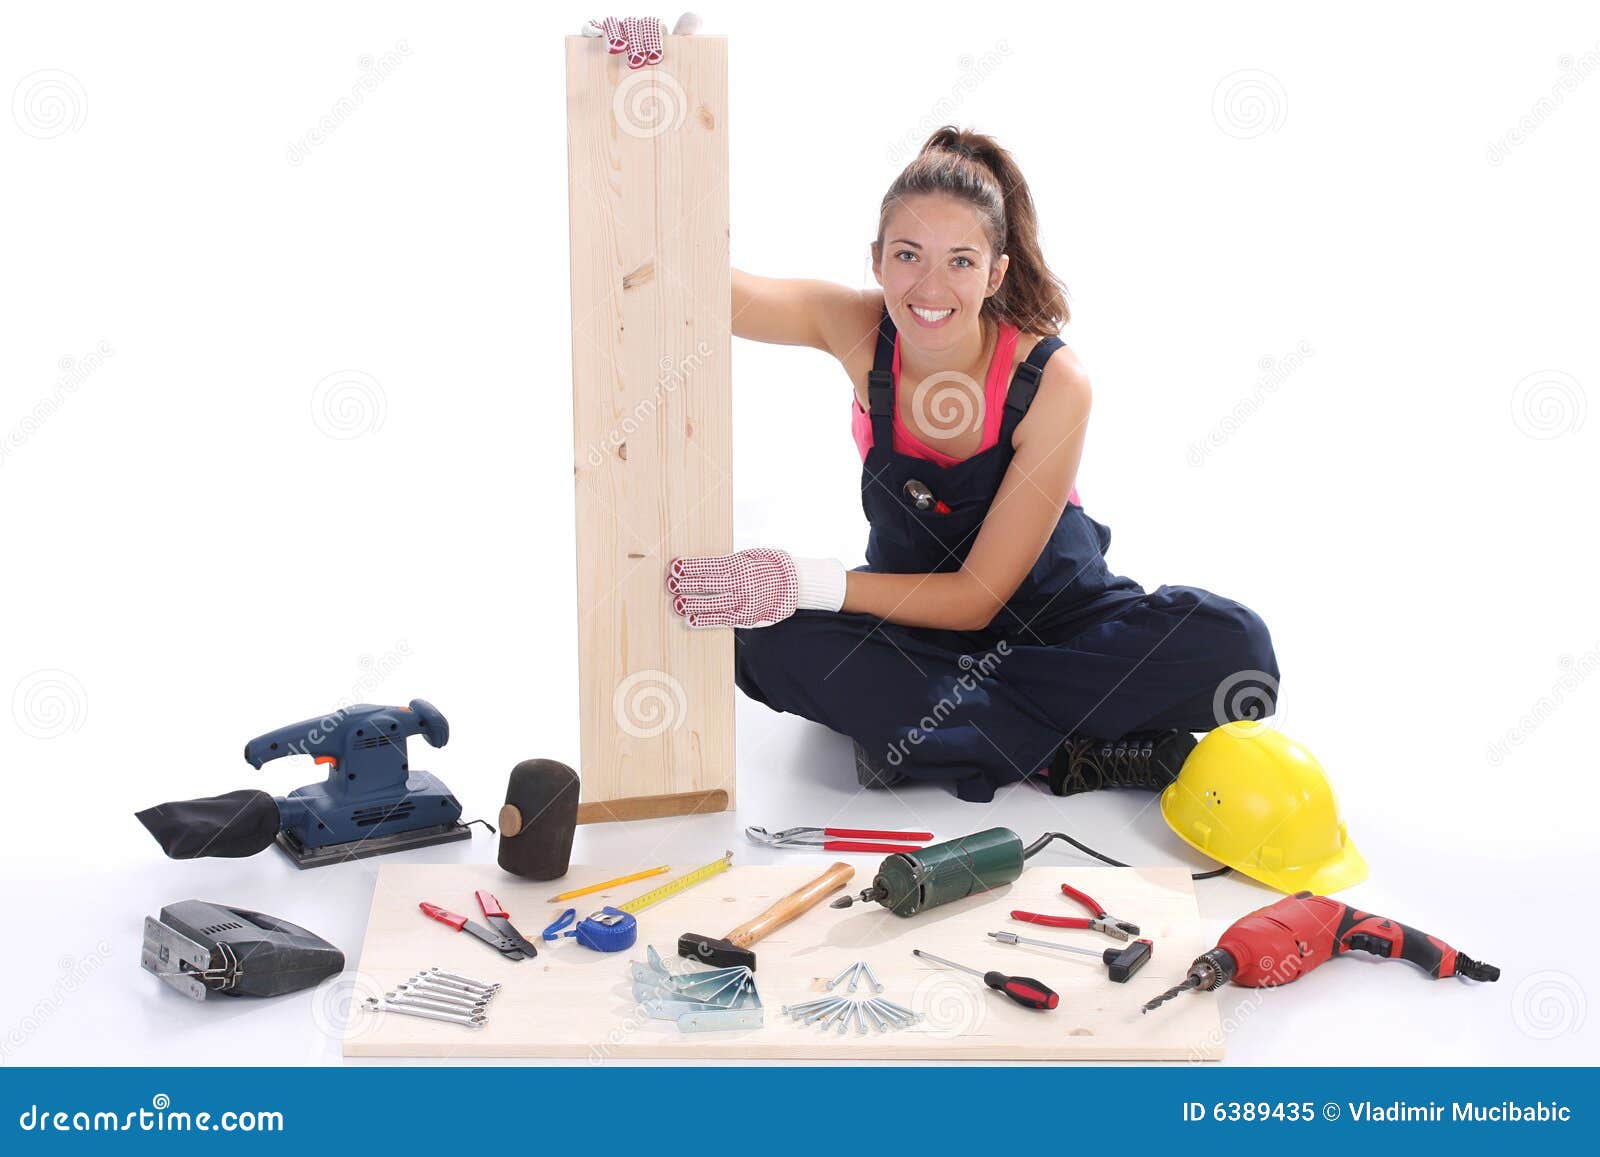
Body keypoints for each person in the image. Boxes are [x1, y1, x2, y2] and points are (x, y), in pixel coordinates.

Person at [666, 126, 1280, 804]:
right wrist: (658, 139)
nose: (930, 286)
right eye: (908, 255)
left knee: (1236, 648)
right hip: (918, 621)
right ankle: (1065, 747)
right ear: (876, 261)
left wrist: (803, 579)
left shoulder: (1052, 380)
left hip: (1061, 625)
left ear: (995, 273)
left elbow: (978, 598)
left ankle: (944, 730)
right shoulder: (853, 329)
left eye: (960, 261)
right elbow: (702, 288)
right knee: (768, 646)